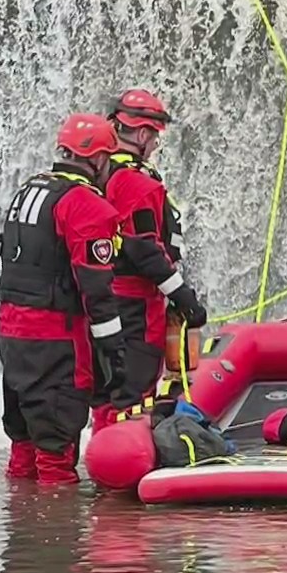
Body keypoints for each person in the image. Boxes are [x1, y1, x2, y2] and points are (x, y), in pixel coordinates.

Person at [0, 113, 133, 484]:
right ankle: (56, 516)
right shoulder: (86, 204)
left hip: (11, 331)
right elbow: (96, 287)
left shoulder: (29, 190)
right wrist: (114, 352)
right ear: (98, 159)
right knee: (57, 449)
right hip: (55, 335)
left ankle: (20, 512)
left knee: (23, 438)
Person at [98, 88, 210, 428]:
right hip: (135, 306)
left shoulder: (99, 174)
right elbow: (145, 250)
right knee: (133, 394)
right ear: (142, 135)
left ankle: (103, 448)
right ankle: (122, 454)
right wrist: (183, 297)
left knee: (108, 392)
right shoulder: (136, 184)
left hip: (101, 299)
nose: (156, 144)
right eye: (155, 136)